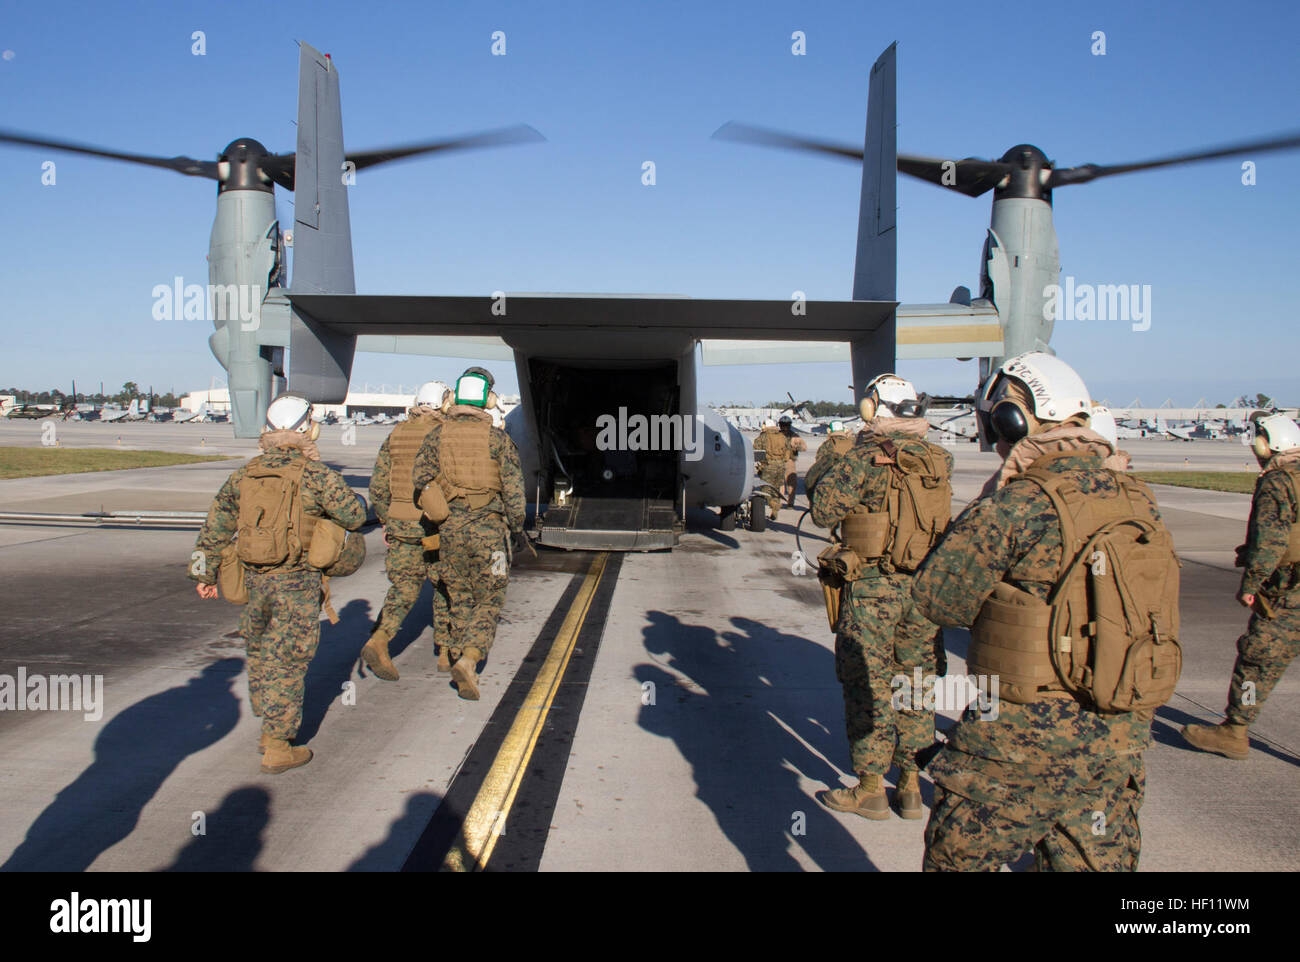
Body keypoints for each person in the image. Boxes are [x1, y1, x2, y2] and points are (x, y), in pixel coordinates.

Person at [911, 352, 1179, 871]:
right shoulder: (1140, 499)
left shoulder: (1017, 503)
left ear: (1016, 419)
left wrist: (991, 500)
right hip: (1115, 741)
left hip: (1014, 747)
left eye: (996, 425)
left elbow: (936, 598)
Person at [191, 394, 366, 773]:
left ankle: (268, 728)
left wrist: (203, 574)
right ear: (307, 429)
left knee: (260, 652)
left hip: (254, 580)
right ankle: (279, 745)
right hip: (297, 582)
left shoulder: (245, 474)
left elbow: (214, 527)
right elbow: (353, 515)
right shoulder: (317, 475)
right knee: (289, 660)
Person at [810, 375, 952, 820]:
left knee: (868, 684)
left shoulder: (865, 458)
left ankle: (871, 788)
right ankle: (910, 787)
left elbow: (822, 510)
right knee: (915, 684)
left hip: (873, 587)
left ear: (875, 408)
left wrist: (832, 457)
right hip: (923, 592)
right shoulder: (938, 458)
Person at [1182, 413, 1300, 759]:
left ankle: (1234, 731)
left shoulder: (1279, 482)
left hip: (1289, 593)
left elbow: (1271, 540)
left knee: (1258, 658)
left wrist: (1251, 583)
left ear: (1270, 443)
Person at [412, 367, 526, 701]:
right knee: (490, 596)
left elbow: (420, 477)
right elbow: (515, 493)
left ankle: (458, 653)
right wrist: (517, 529)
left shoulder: (437, 436)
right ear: (488, 399)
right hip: (489, 533)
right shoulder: (499, 440)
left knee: (459, 596)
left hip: (449, 531)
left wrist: (441, 507)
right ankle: (471, 657)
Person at [361, 381, 450, 682]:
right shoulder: (443, 435)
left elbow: (378, 483)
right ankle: (446, 653)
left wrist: (387, 520)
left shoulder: (396, 434)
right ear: (442, 404)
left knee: (404, 588)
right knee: (444, 585)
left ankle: (380, 639)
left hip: (400, 522)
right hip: (433, 523)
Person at [804, 420, 854, 502]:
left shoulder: (827, 445)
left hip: (832, 480)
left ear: (829, 431)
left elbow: (819, 463)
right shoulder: (852, 443)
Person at [752, 418, 792, 520]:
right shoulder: (782, 436)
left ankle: (773, 504)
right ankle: (775, 509)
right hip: (781, 466)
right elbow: (788, 451)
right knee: (776, 489)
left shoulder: (763, 436)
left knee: (765, 489)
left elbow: (756, 449)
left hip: (769, 466)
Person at [778, 415, 807, 508]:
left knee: (791, 483)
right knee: (779, 483)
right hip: (779, 461)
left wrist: (796, 445)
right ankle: (780, 502)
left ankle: (790, 503)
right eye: (783, 425)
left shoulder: (794, 436)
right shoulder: (777, 436)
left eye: (786, 425)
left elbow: (803, 447)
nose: (785, 427)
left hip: (790, 462)